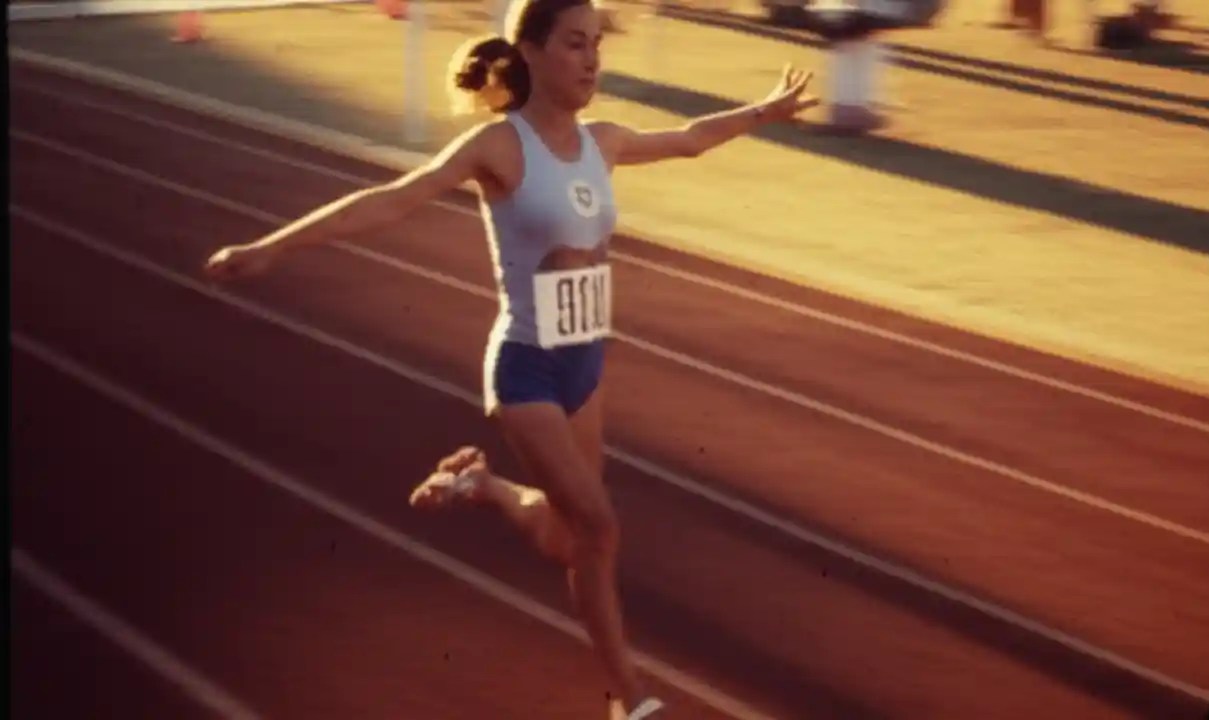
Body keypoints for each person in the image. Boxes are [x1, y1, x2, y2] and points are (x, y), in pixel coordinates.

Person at [203, 0, 816, 716]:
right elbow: (391, 199)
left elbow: (687, 138)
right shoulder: (500, 147)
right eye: (574, 44)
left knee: (569, 537)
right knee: (601, 527)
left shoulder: (604, 141)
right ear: (529, 52)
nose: (591, 60)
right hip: (526, 370)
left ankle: (482, 487)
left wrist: (762, 113)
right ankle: (632, 698)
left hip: (585, 366)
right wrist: (269, 247)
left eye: (596, 46)